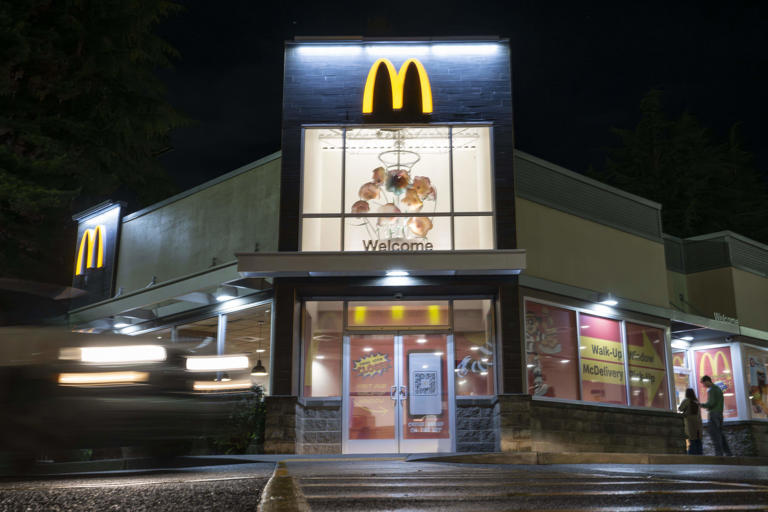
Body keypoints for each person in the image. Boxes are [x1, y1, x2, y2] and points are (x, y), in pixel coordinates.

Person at [700, 375, 733, 456]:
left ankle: (719, 454)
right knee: (720, 433)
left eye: (703, 383)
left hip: (714, 414)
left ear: (707, 381)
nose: (703, 386)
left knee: (714, 433)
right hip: (719, 414)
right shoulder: (718, 389)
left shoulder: (712, 390)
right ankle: (728, 453)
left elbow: (711, 403)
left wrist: (701, 405)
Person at [678, 388, 703, 455]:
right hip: (697, 423)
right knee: (698, 440)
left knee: (692, 440)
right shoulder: (696, 401)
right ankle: (700, 455)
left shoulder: (686, 400)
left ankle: (692, 455)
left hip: (689, 423)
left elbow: (680, 408)